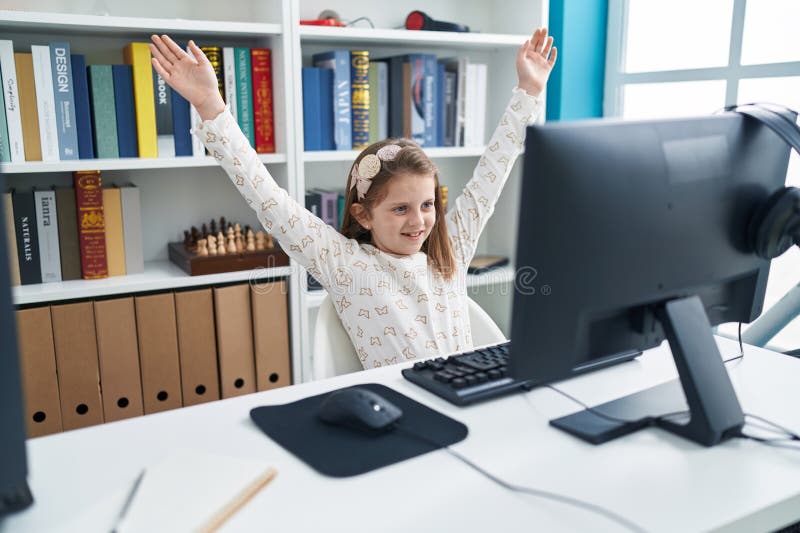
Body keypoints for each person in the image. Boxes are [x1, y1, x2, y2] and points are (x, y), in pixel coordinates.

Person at [149, 28, 557, 369]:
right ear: (363, 214)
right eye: (400, 209)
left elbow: (493, 173)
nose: (419, 221)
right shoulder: (345, 265)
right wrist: (208, 103)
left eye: (427, 205)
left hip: (472, 398)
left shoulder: (449, 251)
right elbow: (266, 196)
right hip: (406, 414)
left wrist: (528, 91)